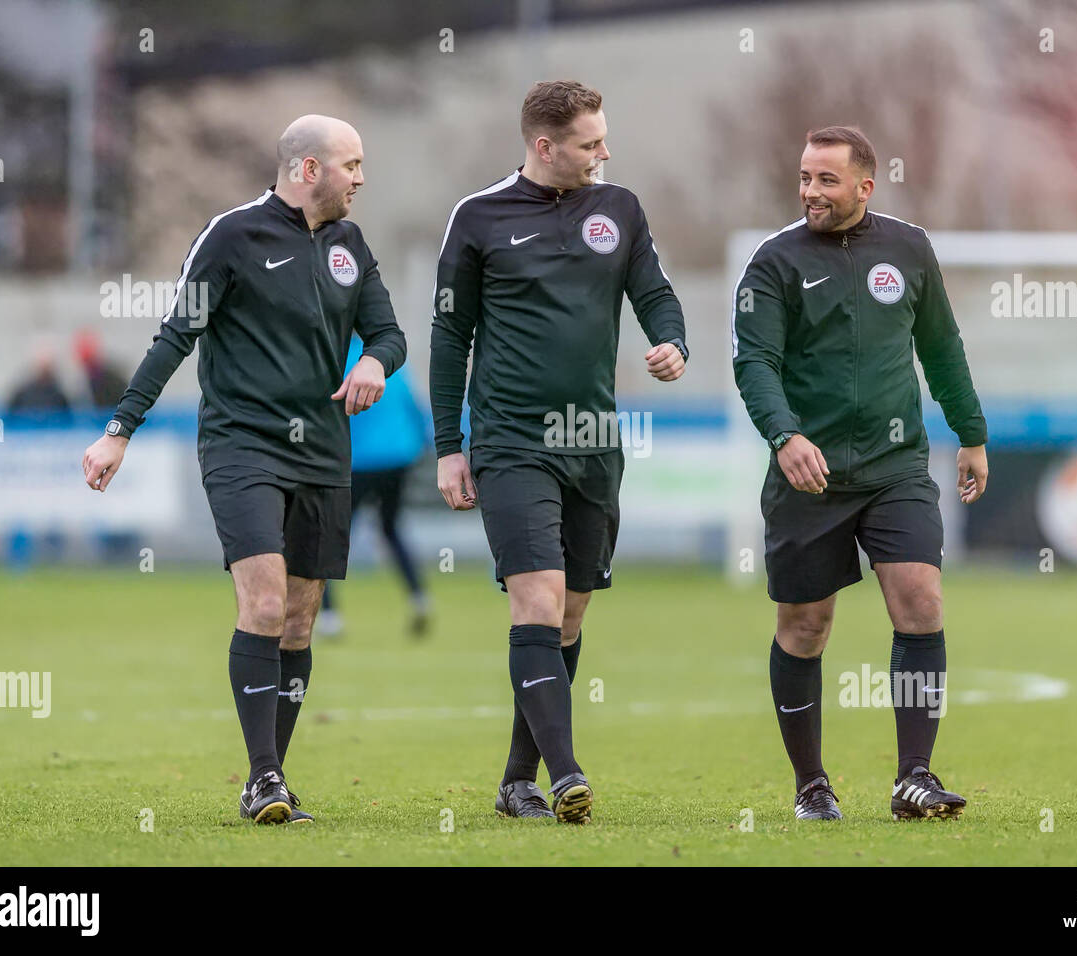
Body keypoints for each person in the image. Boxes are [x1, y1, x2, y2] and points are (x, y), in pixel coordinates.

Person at [81, 114, 407, 825]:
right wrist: (118, 430)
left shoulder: (352, 245)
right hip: (242, 446)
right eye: (351, 164)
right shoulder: (232, 236)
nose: (361, 178)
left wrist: (377, 362)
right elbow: (176, 336)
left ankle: (275, 775)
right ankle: (262, 779)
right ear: (309, 169)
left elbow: (387, 331)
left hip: (325, 452)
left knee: (299, 619)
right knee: (262, 604)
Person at [429, 80, 688, 823]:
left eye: (604, 139)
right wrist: (452, 446)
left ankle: (518, 780)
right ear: (544, 146)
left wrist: (670, 339)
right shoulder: (478, 218)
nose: (604, 153)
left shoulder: (621, 209)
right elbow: (451, 339)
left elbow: (655, 291)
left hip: (594, 441)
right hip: (512, 439)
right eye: (589, 143)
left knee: (569, 615)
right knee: (535, 598)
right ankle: (567, 772)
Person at [731, 126, 988, 822]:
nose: (811, 191)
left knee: (920, 602)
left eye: (826, 180)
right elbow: (753, 363)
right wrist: (784, 437)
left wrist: (970, 432)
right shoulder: (773, 261)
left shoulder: (909, 249)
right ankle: (811, 784)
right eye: (805, 178)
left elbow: (941, 346)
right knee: (806, 626)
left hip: (894, 464)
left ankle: (915, 777)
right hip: (807, 476)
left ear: (865, 187)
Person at [317, 339, 432, 639]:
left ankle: (329, 615)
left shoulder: (336, 358)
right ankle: (419, 598)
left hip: (360, 460)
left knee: (330, 536)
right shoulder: (387, 362)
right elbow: (415, 411)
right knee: (390, 527)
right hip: (399, 456)